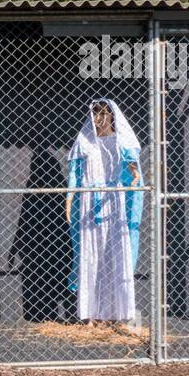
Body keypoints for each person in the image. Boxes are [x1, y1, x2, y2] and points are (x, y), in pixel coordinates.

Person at [64, 99, 144, 328]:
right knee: (91, 255)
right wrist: (69, 199)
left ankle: (119, 313)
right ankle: (90, 314)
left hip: (114, 202)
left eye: (103, 115)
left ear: (111, 116)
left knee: (116, 254)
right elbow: (75, 175)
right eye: (95, 115)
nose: (99, 120)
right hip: (89, 202)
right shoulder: (85, 142)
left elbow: (132, 166)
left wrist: (134, 175)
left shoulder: (121, 142)